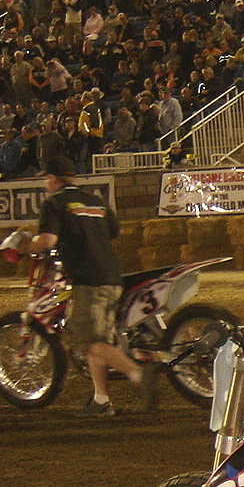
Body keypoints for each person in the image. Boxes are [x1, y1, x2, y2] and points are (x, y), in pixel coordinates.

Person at [33, 155, 157, 418]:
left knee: (84, 338)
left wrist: (22, 245)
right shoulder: (96, 201)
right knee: (96, 339)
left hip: (88, 281)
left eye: (46, 178)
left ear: (53, 179)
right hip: (113, 277)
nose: (46, 183)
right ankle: (101, 400)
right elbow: (114, 231)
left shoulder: (55, 203)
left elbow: (46, 241)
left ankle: (137, 373)